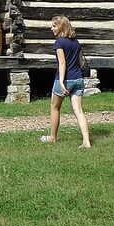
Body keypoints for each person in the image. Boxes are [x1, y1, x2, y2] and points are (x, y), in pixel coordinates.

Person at [40, 14, 92, 148]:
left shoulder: (59, 43)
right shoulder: (76, 42)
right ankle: (86, 141)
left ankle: (52, 137)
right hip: (78, 79)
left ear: (61, 26)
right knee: (78, 111)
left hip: (65, 79)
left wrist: (62, 82)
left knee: (55, 108)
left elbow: (62, 63)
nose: (51, 29)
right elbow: (80, 61)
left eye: (54, 26)